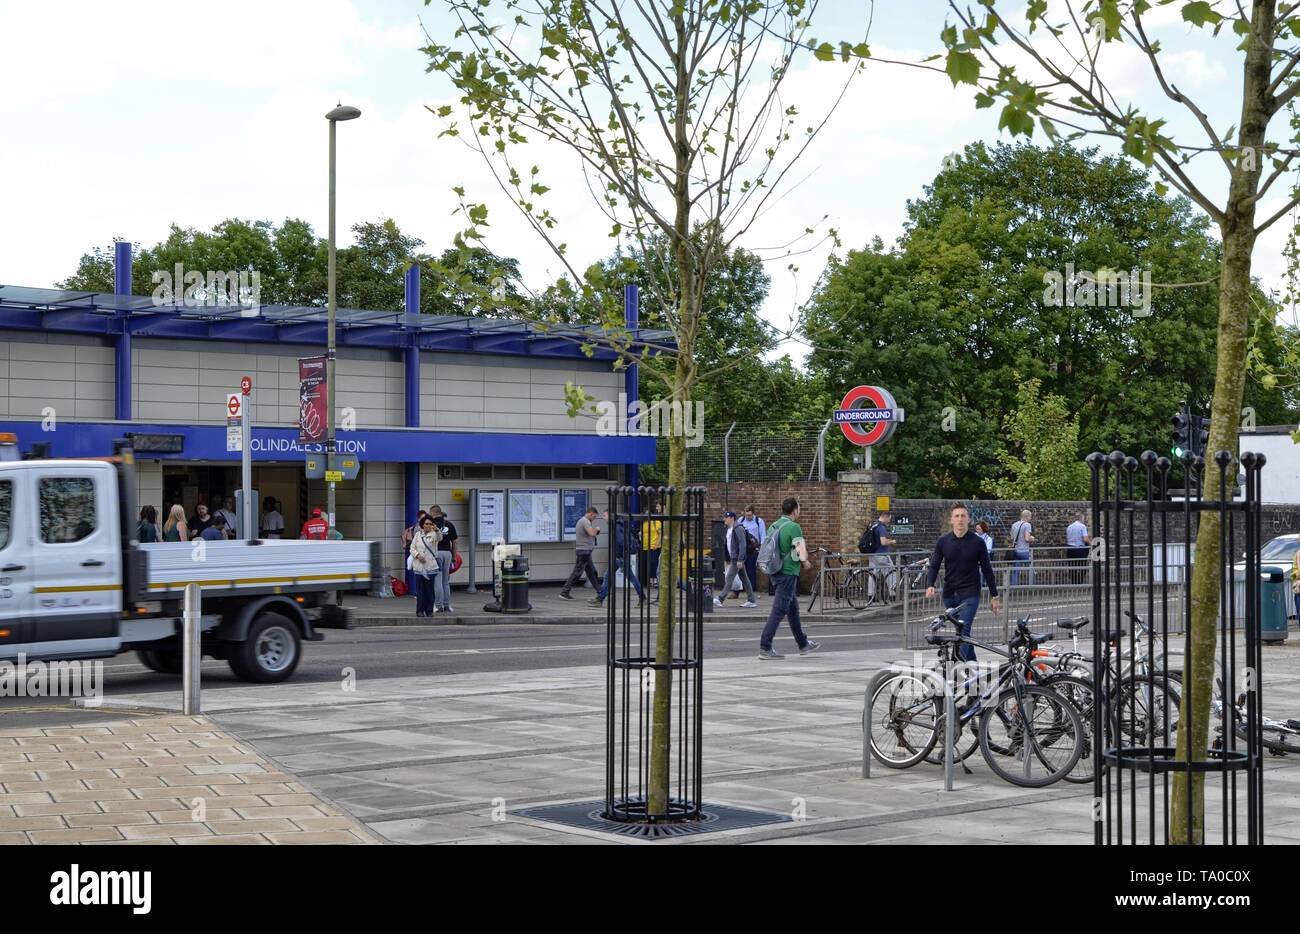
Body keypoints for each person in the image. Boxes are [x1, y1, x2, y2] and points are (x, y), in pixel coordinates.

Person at [926, 502, 1001, 662]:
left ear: (968, 519)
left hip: (970, 594)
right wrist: (930, 585)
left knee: (964, 630)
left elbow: (987, 569)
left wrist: (994, 596)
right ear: (951, 520)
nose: (960, 519)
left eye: (963, 516)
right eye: (957, 516)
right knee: (962, 634)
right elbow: (934, 565)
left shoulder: (977, 542)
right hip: (950, 594)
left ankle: (961, 665)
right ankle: (975, 669)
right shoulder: (943, 542)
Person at [758, 497, 820, 659]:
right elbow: (801, 550)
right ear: (795, 511)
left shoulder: (773, 525)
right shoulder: (794, 527)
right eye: (798, 509)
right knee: (778, 610)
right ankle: (765, 647)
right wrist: (805, 561)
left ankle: (803, 644)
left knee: (793, 610)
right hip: (788, 573)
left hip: (775, 571)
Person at [593, 509, 644, 606]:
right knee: (607, 577)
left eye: (604, 516)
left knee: (632, 579)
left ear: (610, 516)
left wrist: (620, 555)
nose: (603, 518)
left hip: (620, 558)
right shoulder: (618, 525)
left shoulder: (616, 527)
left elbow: (621, 542)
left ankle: (643, 598)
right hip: (618, 557)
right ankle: (599, 599)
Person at [715, 511, 756, 608]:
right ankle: (751, 600)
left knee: (729, 578)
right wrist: (727, 558)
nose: (724, 519)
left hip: (737, 558)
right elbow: (727, 544)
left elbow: (743, 544)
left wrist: (740, 559)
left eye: (725, 517)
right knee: (744, 579)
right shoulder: (729, 529)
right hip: (734, 558)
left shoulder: (738, 528)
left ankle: (720, 599)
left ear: (732, 518)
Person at [559, 505, 601, 600]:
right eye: (594, 516)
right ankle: (564, 592)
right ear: (591, 513)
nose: (594, 519)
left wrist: (595, 532)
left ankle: (600, 591)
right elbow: (592, 533)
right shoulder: (585, 521)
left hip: (585, 551)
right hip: (584, 551)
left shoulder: (583, 521)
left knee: (592, 573)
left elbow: (591, 534)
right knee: (577, 573)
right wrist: (597, 529)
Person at [409, 514, 441, 617]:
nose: (428, 526)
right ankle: (420, 611)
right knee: (420, 591)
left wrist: (436, 530)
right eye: (426, 524)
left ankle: (429, 610)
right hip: (419, 567)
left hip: (430, 567)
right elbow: (412, 548)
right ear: (422, 524)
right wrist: (417, 555)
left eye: (430, 524)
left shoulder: (435, 534)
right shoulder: (418, 535)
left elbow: (440, 538)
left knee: (430, 591)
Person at [429, 505, 459, 613]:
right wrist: (454, 556)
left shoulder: (431, 525)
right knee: (445, 581)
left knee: (437, 580)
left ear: (432, 513)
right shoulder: (449, 525)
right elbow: (455, 542)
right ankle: (447, 605)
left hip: (436, 554)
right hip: (447, 553)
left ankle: (438, 605)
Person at [863, 510, 897, 600]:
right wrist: (892, 541)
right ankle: (893, 595)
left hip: (872, 554)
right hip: (882, 555)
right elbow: (883, 542)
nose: (889, 521)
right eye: (889, 519)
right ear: (885, 516)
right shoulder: (881, 527)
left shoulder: (873, 524)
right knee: (891, 573)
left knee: (873, 575)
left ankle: (871, 597)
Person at [739, 506, 766, 597]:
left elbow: (763, 535)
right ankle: (743, 587)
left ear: (753, 513)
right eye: (746, 515)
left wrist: (762, 548)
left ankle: (751, 588)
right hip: (743, 549)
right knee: (742, 569)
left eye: (750, 515)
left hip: (754, 550)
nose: (748, 517)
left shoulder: (759, 521)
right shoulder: (741, 520)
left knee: (751, 569)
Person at [1009, 509, 1035, 586]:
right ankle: (1030, 587)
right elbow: (1027, 539)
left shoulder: (1014, 524)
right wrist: (1032, 539)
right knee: (1030, 570)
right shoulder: (1027, 525)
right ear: (1027, 517)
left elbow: (1012, 538)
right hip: (1024, 551)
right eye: (1030, 517)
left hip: (1015, 551)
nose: (1031, 518)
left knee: (1016, 571)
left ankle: (1014, 588)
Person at [1065, 513, 1091, 585]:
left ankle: (1074, 583)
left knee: (1072, 567)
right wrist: (1091, 544)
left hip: (1070, 549)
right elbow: (1085, 539)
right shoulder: (1082, 526)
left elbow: (1068, 539)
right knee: (1084, 567)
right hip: (1079, 549)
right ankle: (1079, 582)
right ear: (1082, 519)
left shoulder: (1069, 527)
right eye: (1084, 520)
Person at [642, 502, 663, 586]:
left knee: (654, 563)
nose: (647, 515)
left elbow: (660, 534)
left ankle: (655, 580)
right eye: (645, 514)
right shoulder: (644, 523)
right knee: (648, 563)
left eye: (648, 513)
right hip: (645, 546)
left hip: (655, 546)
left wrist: (656, 544)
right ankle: (651, 580)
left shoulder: (656, 522)